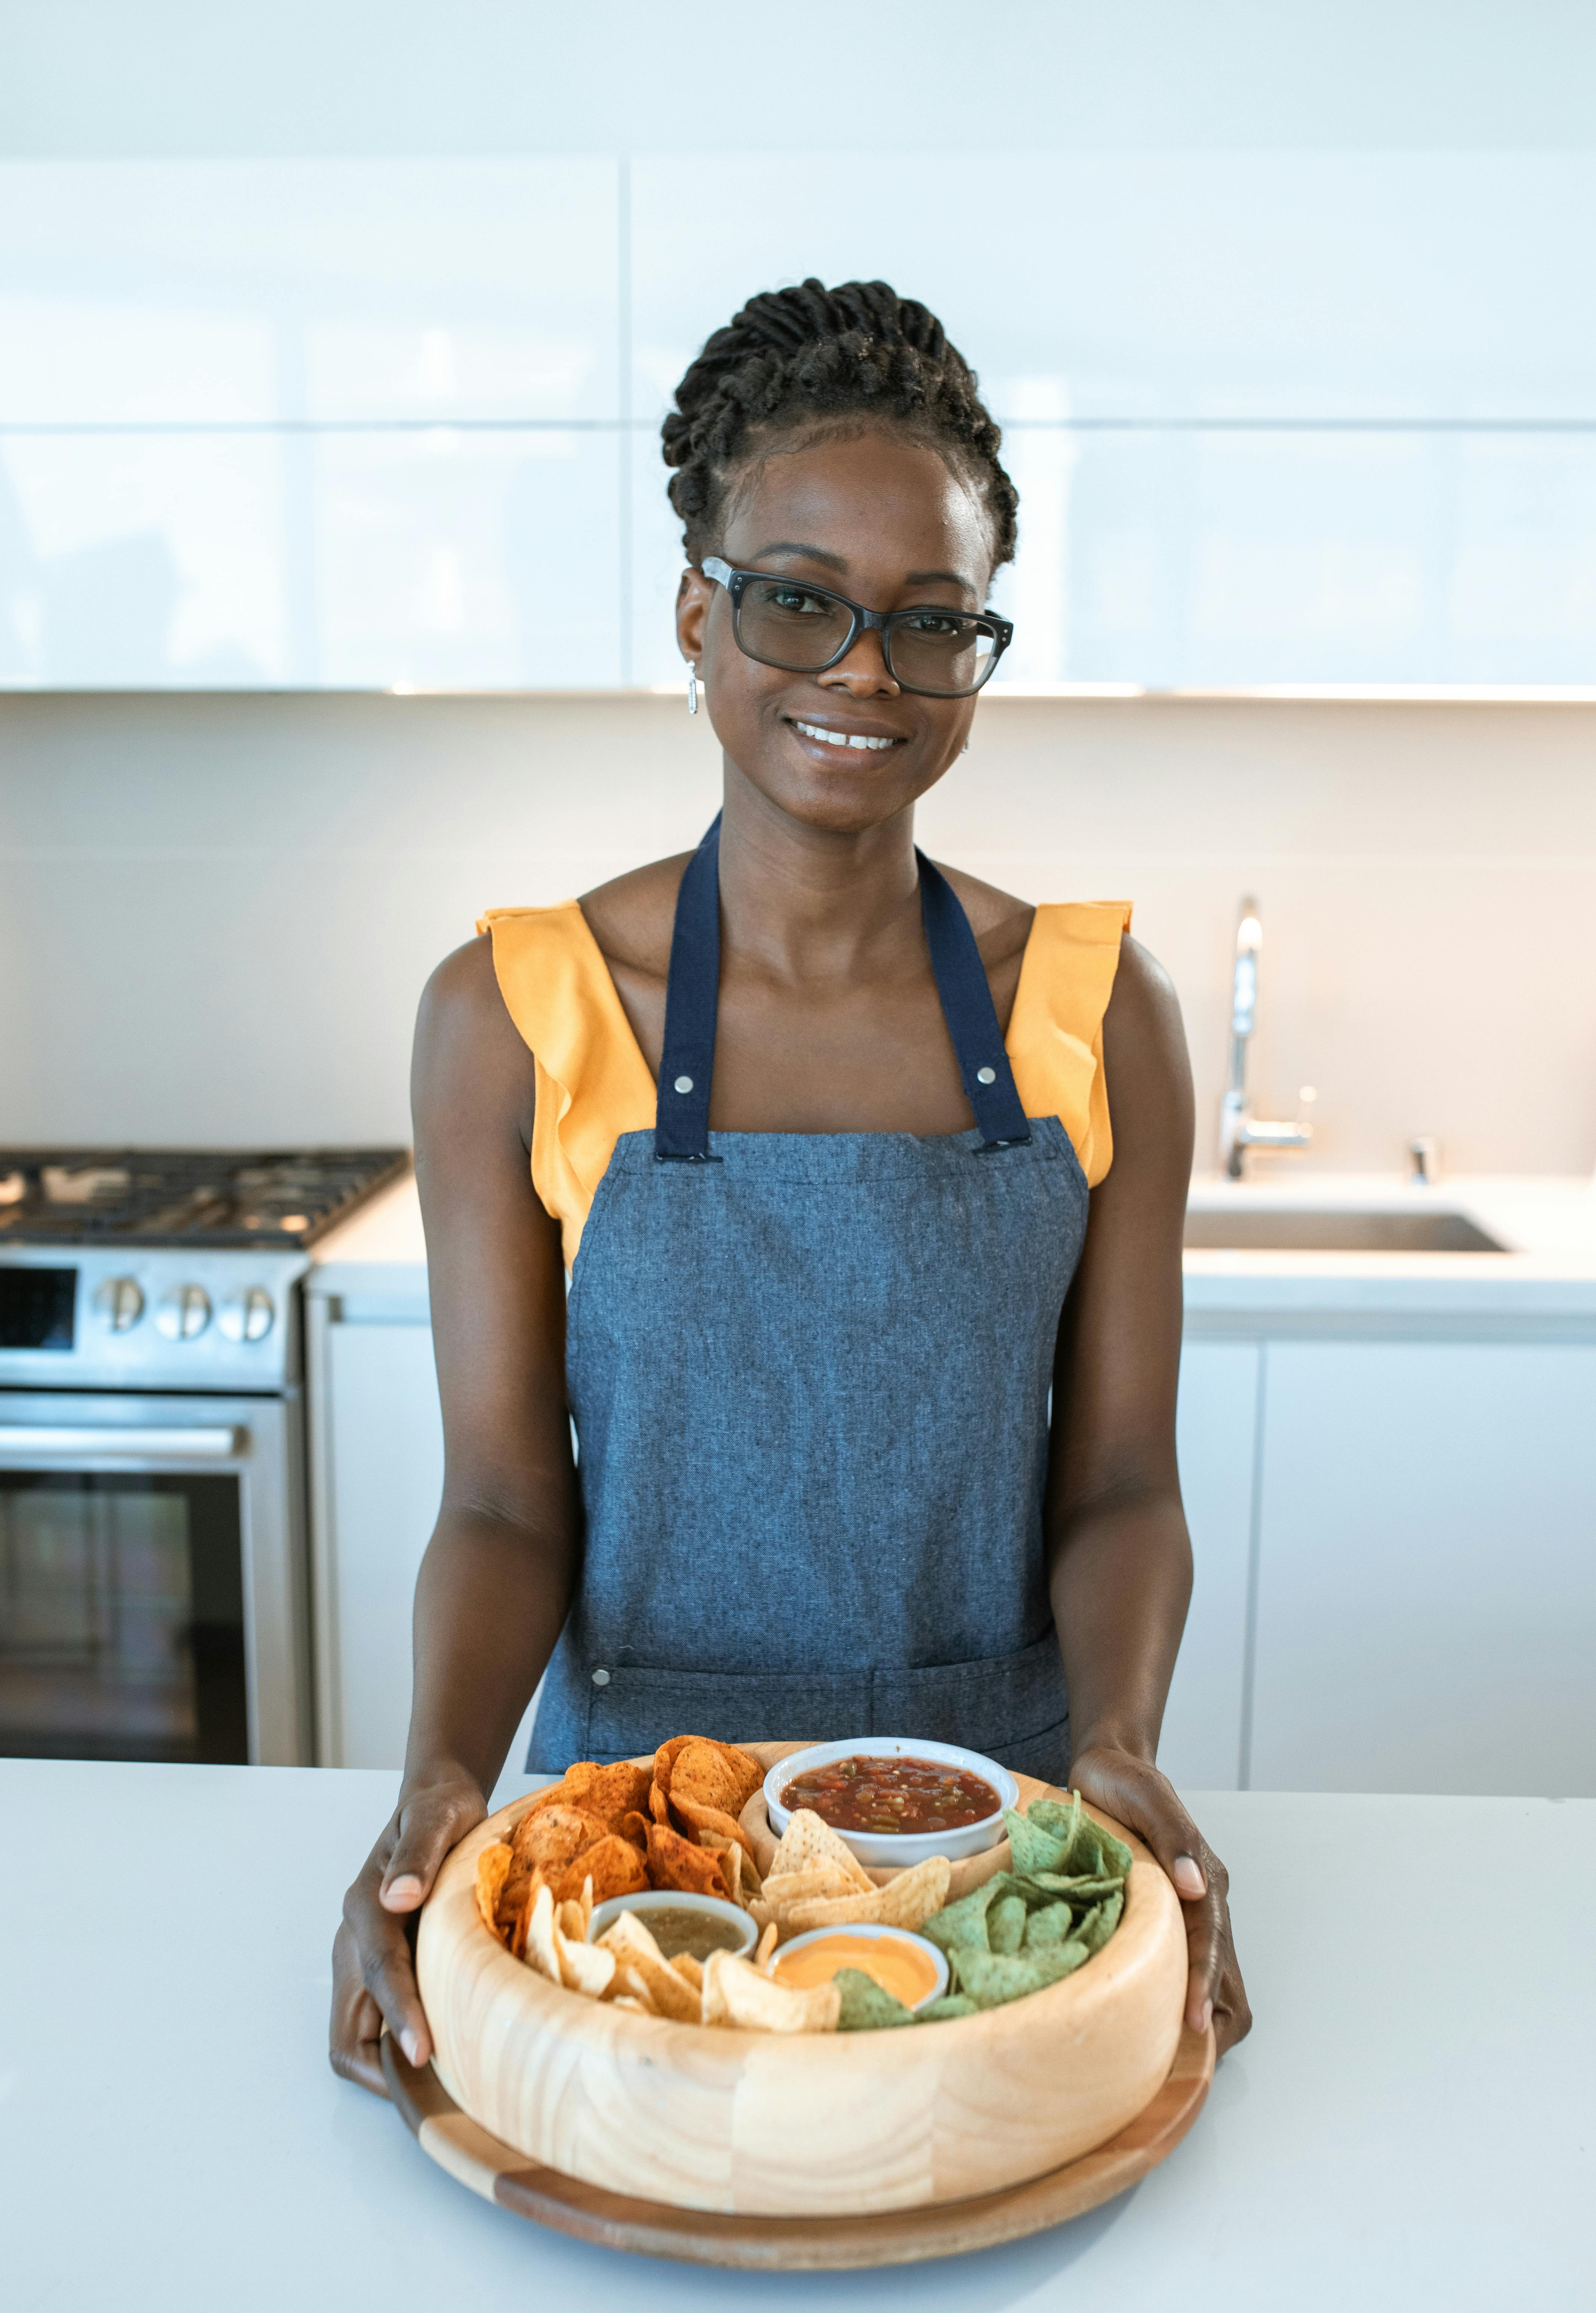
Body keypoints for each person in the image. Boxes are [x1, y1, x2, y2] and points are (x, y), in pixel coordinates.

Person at [330, 279, 1251, 2091]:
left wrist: (1126, 1739)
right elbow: (512, 1501)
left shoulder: (1095, 1011)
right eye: (798, 599)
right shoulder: (517, 1012)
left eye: (931, 623)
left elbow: (1124, 1479)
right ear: (699, 610)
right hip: (641, 1882)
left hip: (994, 1861)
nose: (861, 673)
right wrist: (442, 1777)